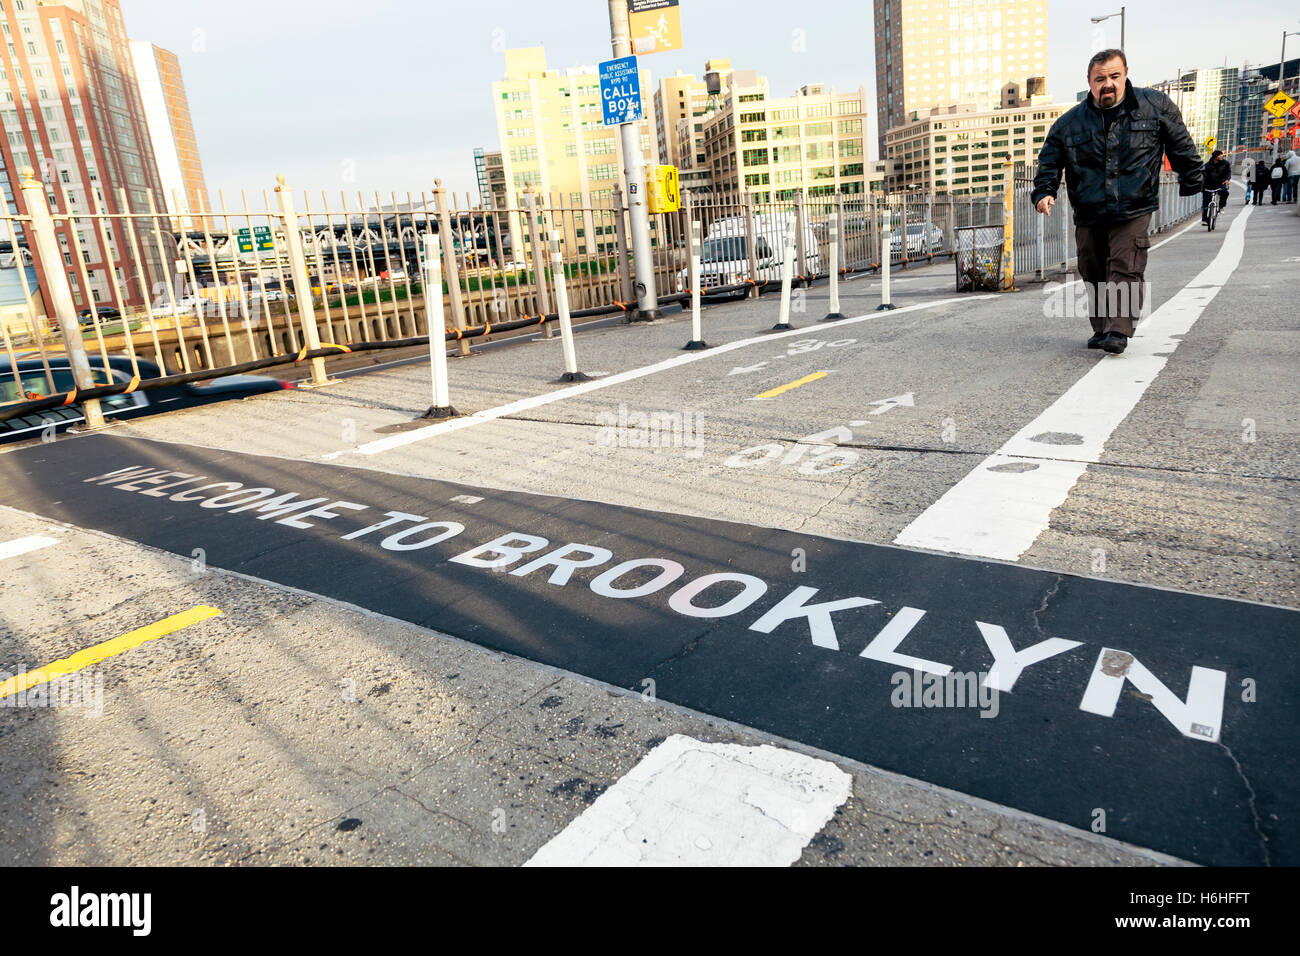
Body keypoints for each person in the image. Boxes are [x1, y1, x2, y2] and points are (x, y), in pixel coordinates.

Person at [1033, 49, 1201, 355]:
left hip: (1134, 205)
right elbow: (1049, 162)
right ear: (1089, 82)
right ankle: (1102, 328)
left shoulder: (1154, 106)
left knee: (1125, 265)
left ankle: (1118, 330)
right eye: (1100, 79)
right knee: (1093, 268)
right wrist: (1044, 192)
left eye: (1114, 76)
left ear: (1125, 74)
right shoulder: (1069, 124)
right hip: (1089, 209)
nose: (1107, 84)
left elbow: (1180, 143)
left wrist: (1193, 178)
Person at [1202, 149, 1231, 219]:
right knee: (1205, 202)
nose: (1222, 156)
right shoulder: (1207, 165)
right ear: (1215, 156)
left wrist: (1227, 179)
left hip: (1221, 183)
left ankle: (1221, 206)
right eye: (1220, 155)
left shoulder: (1225, 163)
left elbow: (1228, 172)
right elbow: (1203, 175)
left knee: (1225, 192)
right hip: (1208, 184)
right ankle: (1205, 219)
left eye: (1222, 155)